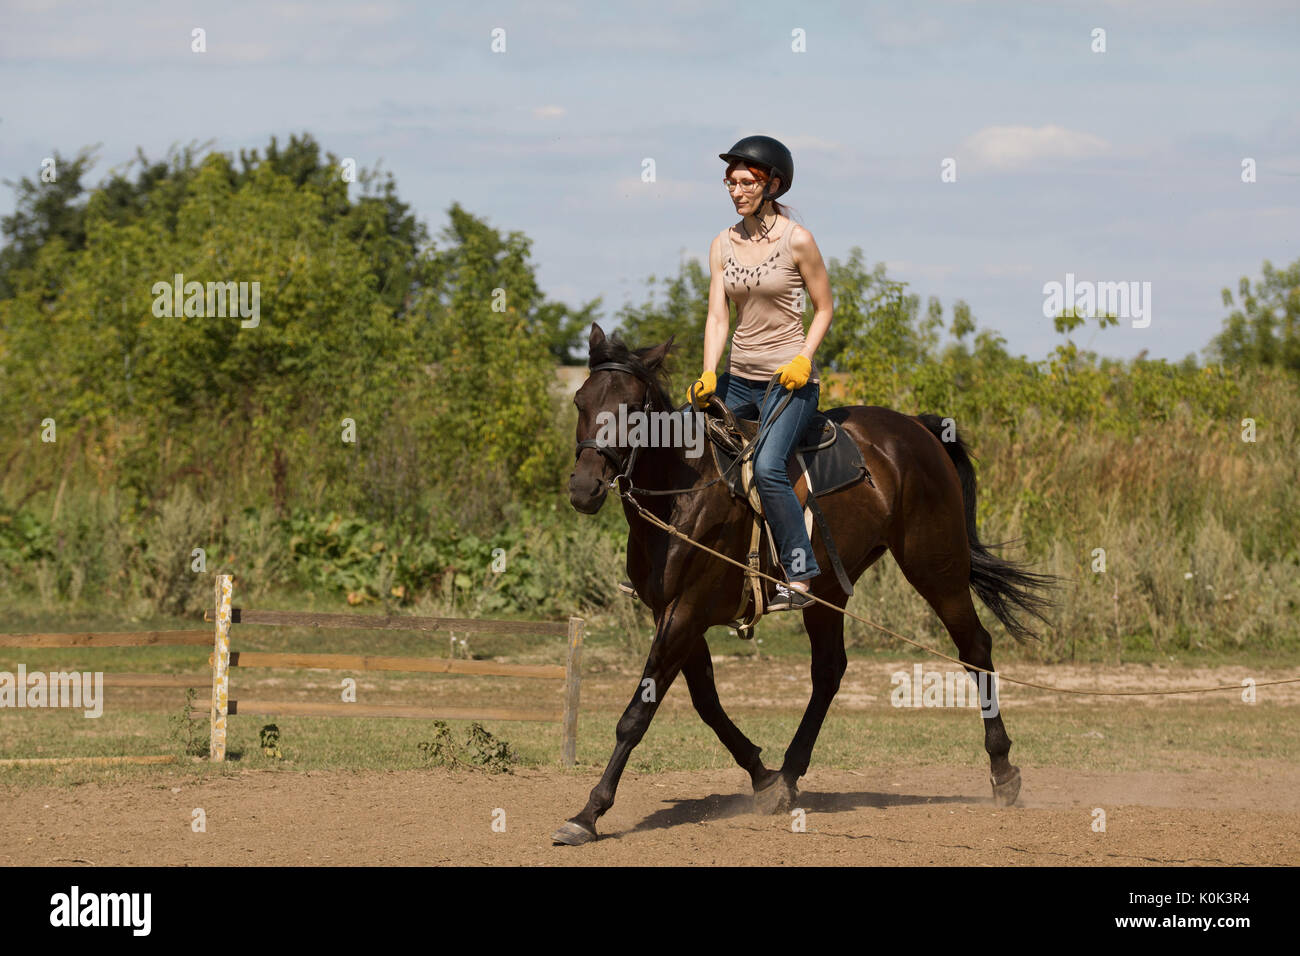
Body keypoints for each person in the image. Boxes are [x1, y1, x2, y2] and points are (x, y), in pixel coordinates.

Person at [688, 135, 835, 611]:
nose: (736, 191)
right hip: (738, 378)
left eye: (746, 182)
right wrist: (709, 372)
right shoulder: (721, 244)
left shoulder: (798, 240)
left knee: (769, 468)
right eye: (730, 182)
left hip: (788, 382)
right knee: (683, 443)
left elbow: (825, 308)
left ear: (772, 183)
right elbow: (717, 318)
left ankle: (799, 574)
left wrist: (804, 358)